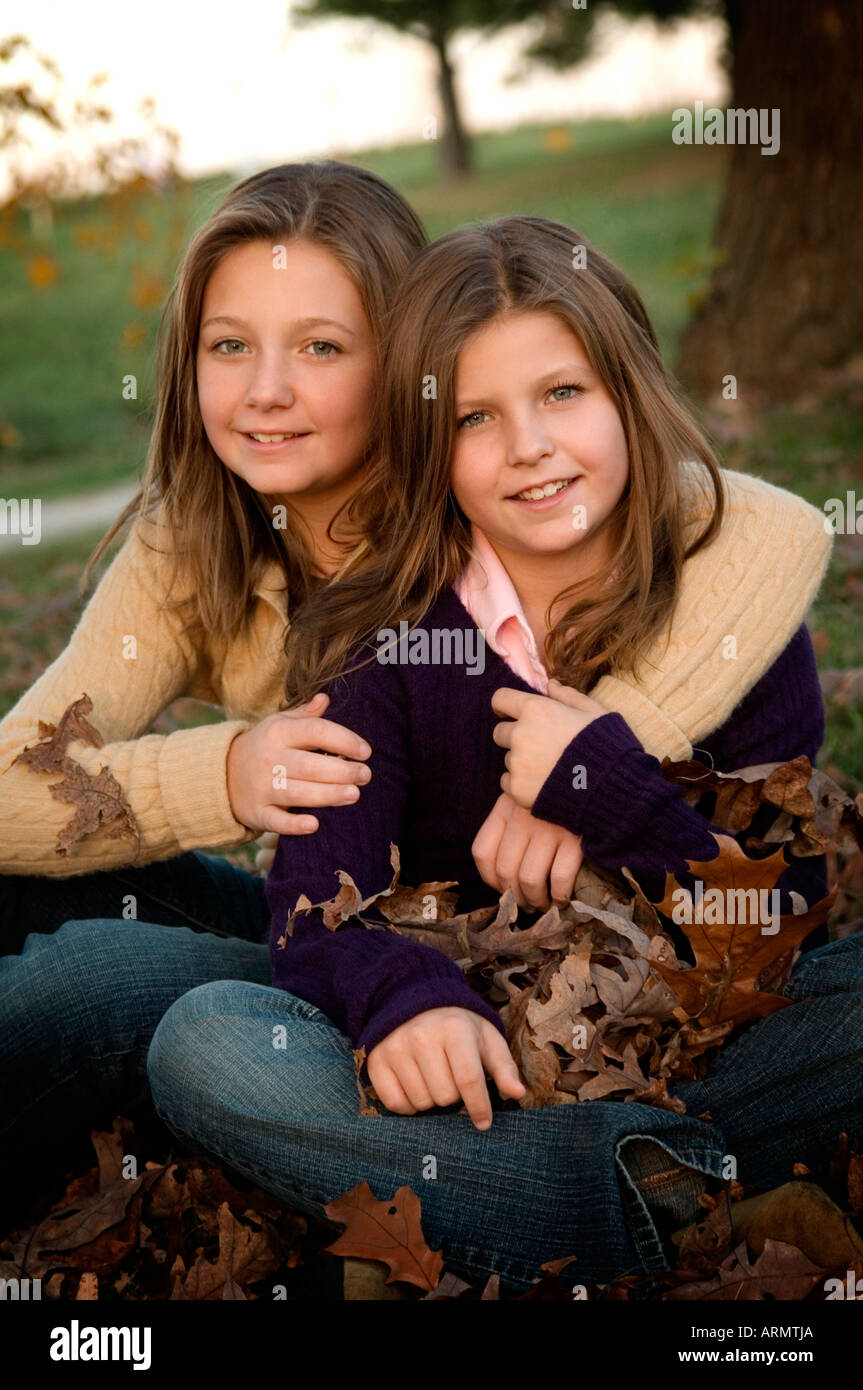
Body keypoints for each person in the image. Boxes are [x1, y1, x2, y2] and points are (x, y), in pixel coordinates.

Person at [0, 167, 806, 1220]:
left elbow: (769, 528)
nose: (264, 391)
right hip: (349, 918)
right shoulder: (202, 548)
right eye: (228, 344)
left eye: (322, 346)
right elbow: (27, 792)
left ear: (411, 365)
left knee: (100, 989)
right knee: (56, 926)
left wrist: (599, 753)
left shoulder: (516, 501)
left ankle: (589, 1174)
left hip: (542, 950)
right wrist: (230, 772)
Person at [146, 217, 858, 1295]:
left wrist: (606, 789)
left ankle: (551, 1196)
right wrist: (401, 990)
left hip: (711, 1042)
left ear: (628, 393)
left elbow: (778, 916)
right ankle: (651, 1206)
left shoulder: (729, 608)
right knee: (207, 1043)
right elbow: (307, 903)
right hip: (477, 1069)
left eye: (561, 394)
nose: (528, 445)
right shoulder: (387, 633)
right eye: (476, 417)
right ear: (427, 448)